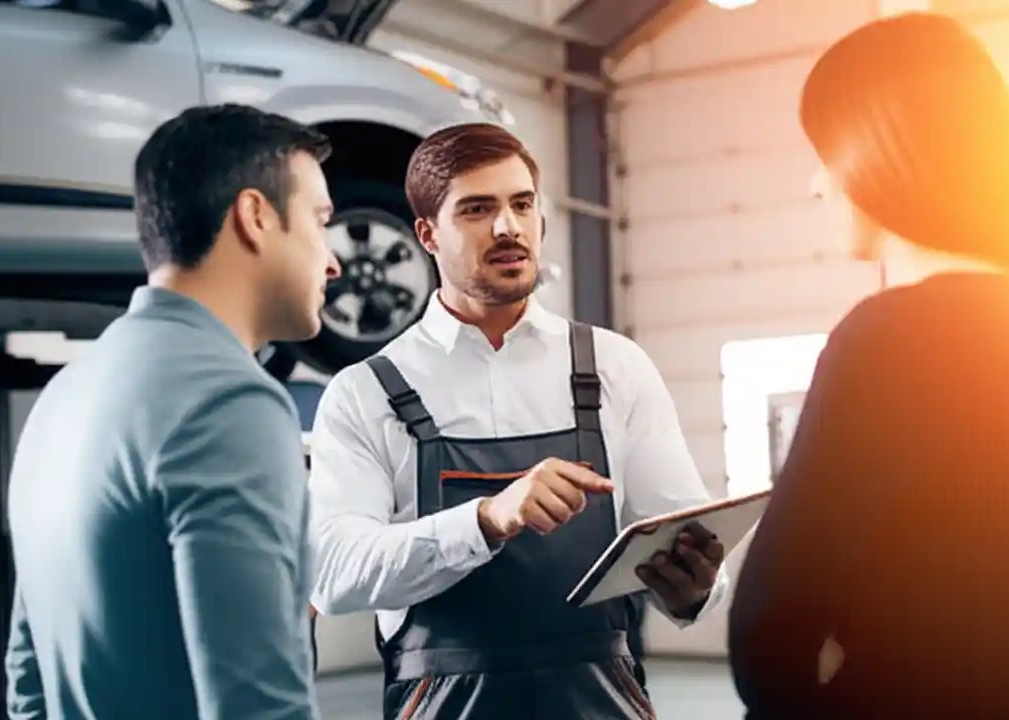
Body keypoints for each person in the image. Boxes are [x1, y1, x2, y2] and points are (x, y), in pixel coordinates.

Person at [727, 12, 1009, 719]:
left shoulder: (892, 338)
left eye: (825, 151)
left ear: (881, 147)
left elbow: (769, 639)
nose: (817, 184)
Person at [307, 122, 728, 719]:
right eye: (478, 209)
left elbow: (680, 539)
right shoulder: (365, 394)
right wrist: (487, 518)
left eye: (521, 205)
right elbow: (334, 571)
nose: (507, 227)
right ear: (426, 234)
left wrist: (697, 592)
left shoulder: (615, 367)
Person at [4, 104, 340, 718]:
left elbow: (28, 684)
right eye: (319, 222)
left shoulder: (64, 397)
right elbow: (257, 705)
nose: (333, 260)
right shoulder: (228, 401)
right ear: (255, 217)